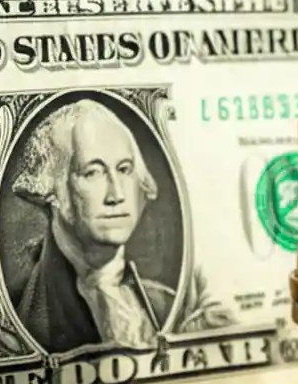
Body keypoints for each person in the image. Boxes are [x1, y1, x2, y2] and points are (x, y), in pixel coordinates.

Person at [10, 99, 175, 352]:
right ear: (52, 188)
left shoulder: (165, 305)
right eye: (92, 172)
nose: (117, 195)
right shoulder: (20, 324)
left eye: (124, 169)